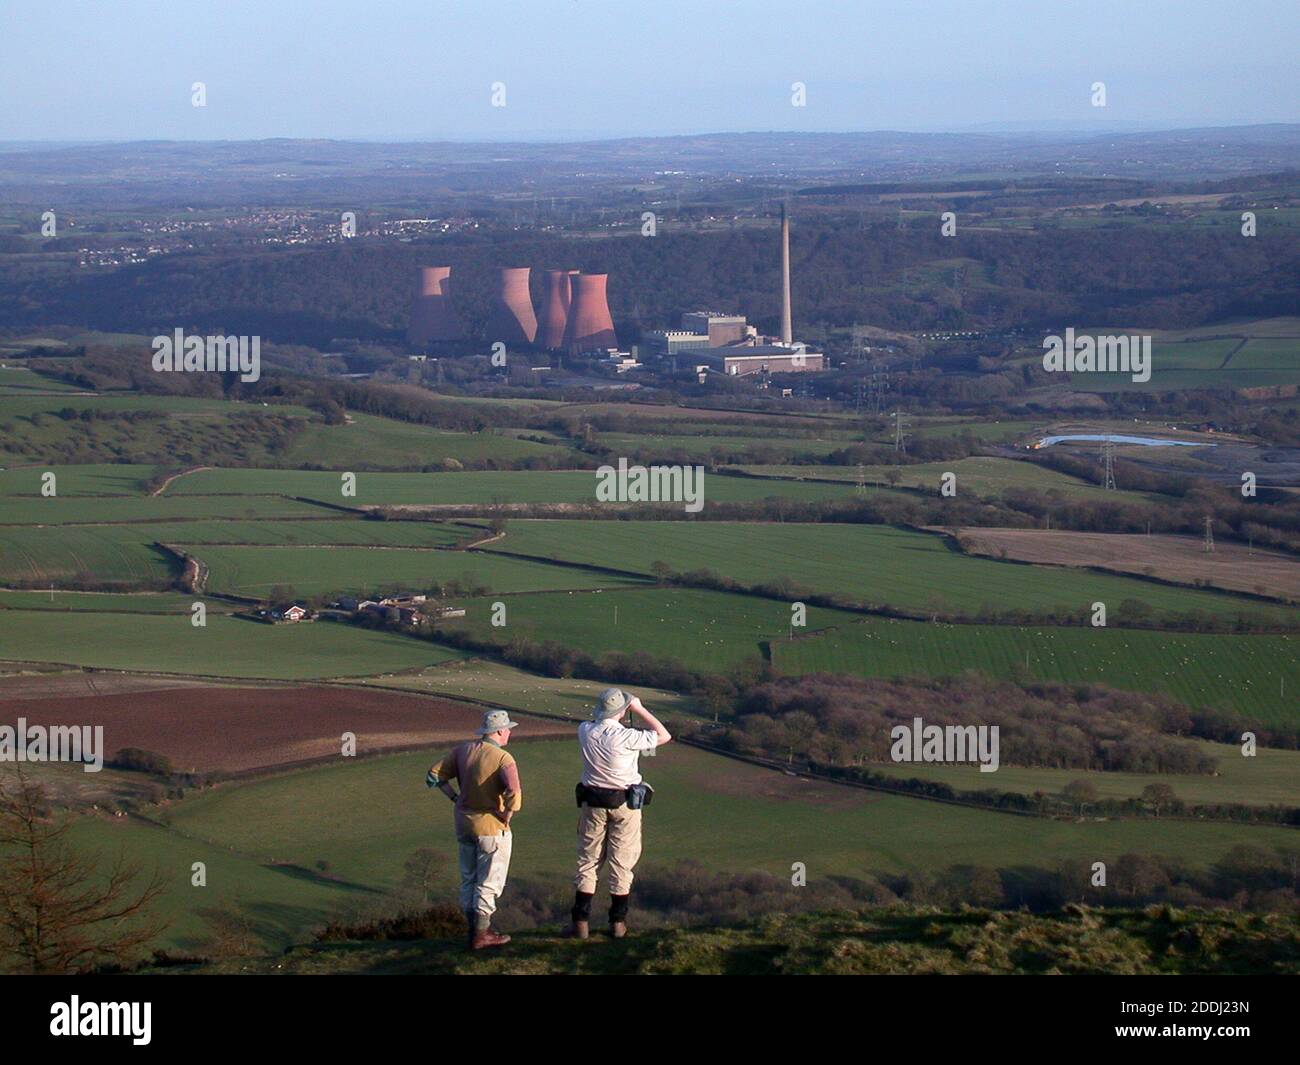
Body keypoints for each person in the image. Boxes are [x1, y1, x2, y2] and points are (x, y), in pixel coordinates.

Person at [569, 688, 671, 939]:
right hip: (625, 804)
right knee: (621, 862)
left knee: (588, 860)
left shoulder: (585, 730)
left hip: (592, 803)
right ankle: (617, 923)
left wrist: (625, 708)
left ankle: (581, 923)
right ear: (621, 711)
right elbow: (664, 736)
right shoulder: (628, 737)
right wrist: (638, 708)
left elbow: (595, 724)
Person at [425, 708, 522, 950]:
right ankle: (482, 933)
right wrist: (507, 815)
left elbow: (433, 775)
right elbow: (514, 793)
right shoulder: (503, 758)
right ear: (499, 731)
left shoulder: (462, 750)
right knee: (489, 881)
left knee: (468, 879)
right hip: (491, 826)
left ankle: (473, 930)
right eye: (508, 728)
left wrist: (454, 798)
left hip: (463, 824)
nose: (509, 732)